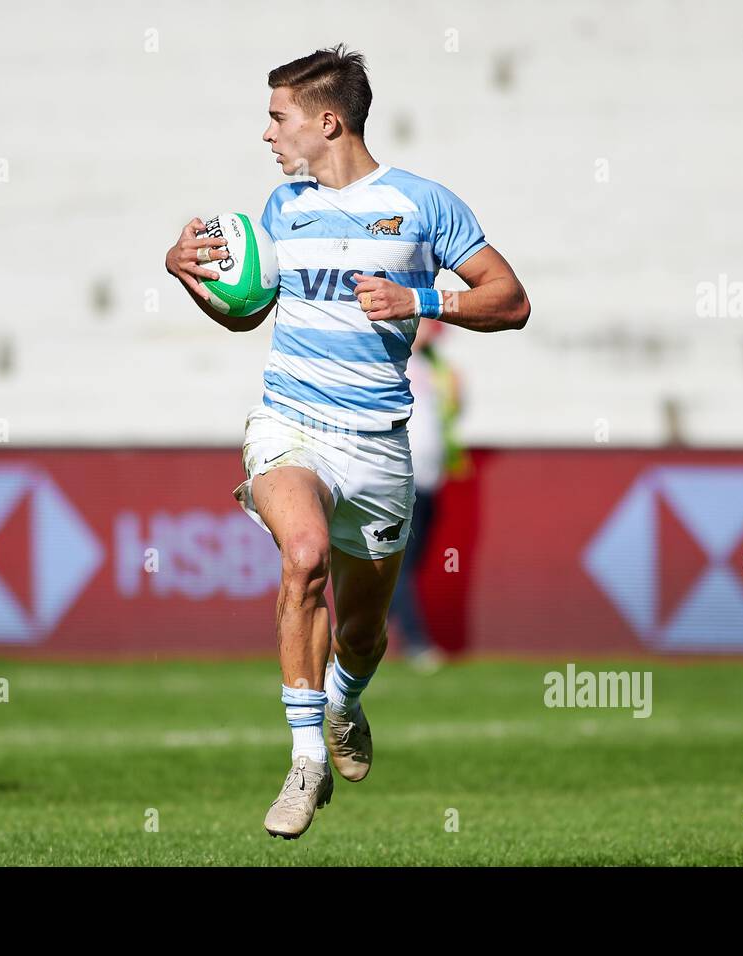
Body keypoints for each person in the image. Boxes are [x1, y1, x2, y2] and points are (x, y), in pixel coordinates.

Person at [163, 44, 531, 839]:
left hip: (377, 445)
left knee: (364, 631)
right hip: (291, 423)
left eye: (277, 116)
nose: (267, 134)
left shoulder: (423, 205)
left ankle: (343, 703)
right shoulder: (279, 208)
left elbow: (510, 299)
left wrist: (420, 296)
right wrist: (187, 275)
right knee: (302, 558)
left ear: (327, 121)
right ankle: (304, 761)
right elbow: (246, 314)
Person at [388, 318, 466, 673]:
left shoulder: (436, 367)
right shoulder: (392, 360)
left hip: (430, 476)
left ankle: (353, 633)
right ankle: (417, 644)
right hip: (402, 476)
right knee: (398, 566)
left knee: (407, 566)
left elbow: (449, 413)